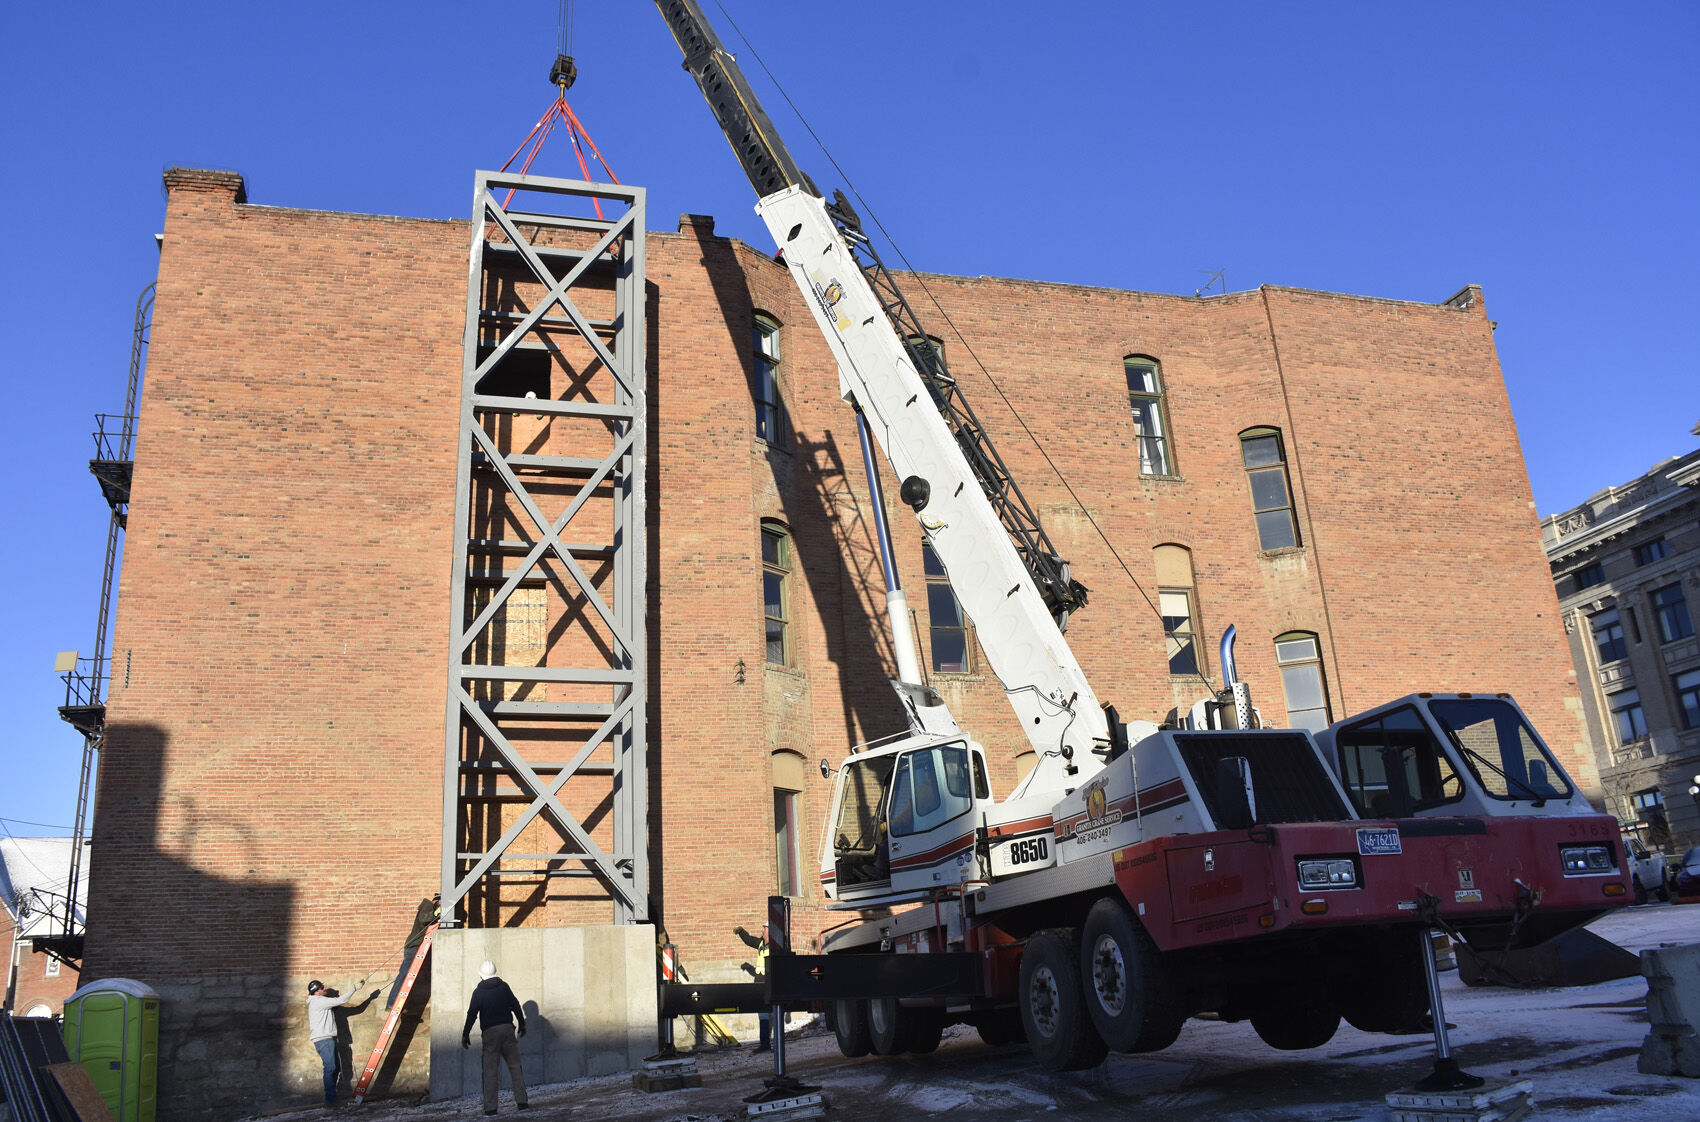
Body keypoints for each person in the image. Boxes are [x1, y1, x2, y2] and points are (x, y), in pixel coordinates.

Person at [462, 960, 529, 1115]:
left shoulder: (478, 992)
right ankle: (522, 1102)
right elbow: (515, 1004)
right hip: (507, 1029)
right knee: (515, 1066)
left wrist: (465, 1034)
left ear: (480, 975)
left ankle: (491, 1108)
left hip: (490, 1033)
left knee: (490, 1071)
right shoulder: (504, 987)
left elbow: (472, 1014)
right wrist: (522, 1023)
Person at [305, 979, 366, 1105]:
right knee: (330, 1068)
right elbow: (341, 1000)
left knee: (336, 1068)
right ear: (316, 991)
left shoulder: (318, 1001)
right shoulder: (319, 1001)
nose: (324, 989)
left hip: (327, 1039)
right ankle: (330, 1099)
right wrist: (354, 988)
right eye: (322, 988)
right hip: (324, 1039)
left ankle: (332, 1096)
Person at [386, 893, 441, 1009]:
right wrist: (438, 913)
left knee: (406, 975)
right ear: (437, 901)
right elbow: (424, 918)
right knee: (404, 974)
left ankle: (397, 1004)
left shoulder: (429, 908)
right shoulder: (427, 905)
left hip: (415, 946)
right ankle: (392, 1003)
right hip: (413, 947)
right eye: (441, 903)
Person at [734, 925, 771, 1052]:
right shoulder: (761, 943)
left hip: (769, 985)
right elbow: (749, 940)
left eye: (765, 929)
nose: (762, 931)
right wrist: (741, 932)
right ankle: (765, 1044)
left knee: (772, 1014)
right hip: (759, 985)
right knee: (763, 1015)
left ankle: (771, 1045)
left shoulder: (776, 947)